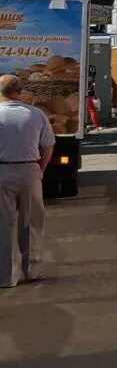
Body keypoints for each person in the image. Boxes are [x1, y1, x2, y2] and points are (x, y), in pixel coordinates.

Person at [0, 75, 56, 288]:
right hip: (30, 170)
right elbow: (48, 145)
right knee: (31, 222)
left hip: (2, 172)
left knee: (3, 224)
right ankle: (32, 270)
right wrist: (39, 169)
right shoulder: (36, 114)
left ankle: (6, 277)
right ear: (20, 91)